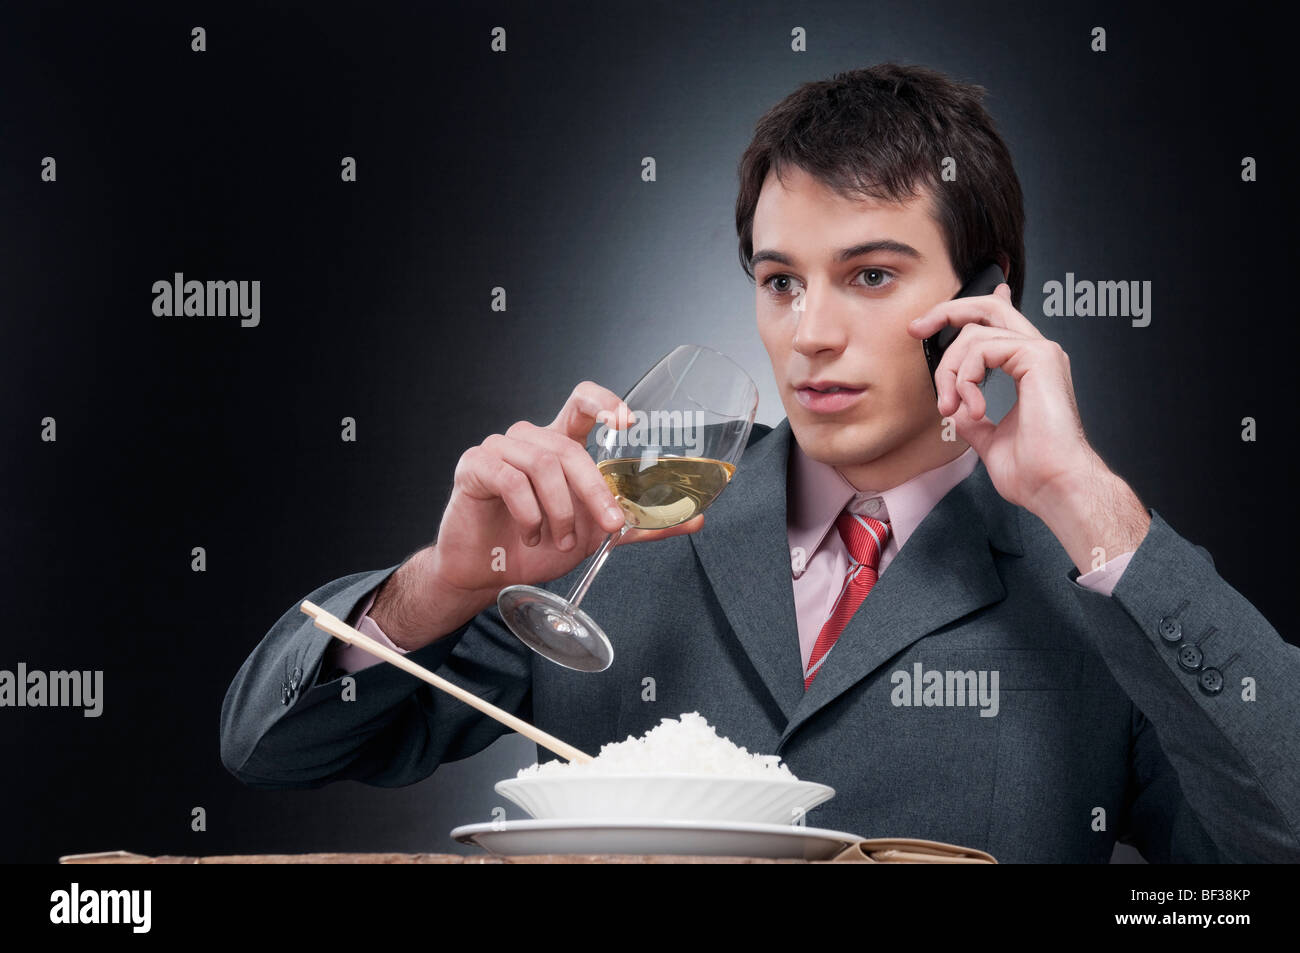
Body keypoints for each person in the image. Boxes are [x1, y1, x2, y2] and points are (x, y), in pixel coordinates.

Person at [220, 63, 1300, 863]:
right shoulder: (617, 508)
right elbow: (268, 749)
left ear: (987, 291)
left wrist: (1088, 502)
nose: (809, 333)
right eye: (780, 280)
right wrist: (441, 586)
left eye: (870, 276)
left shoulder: (1093, 578)